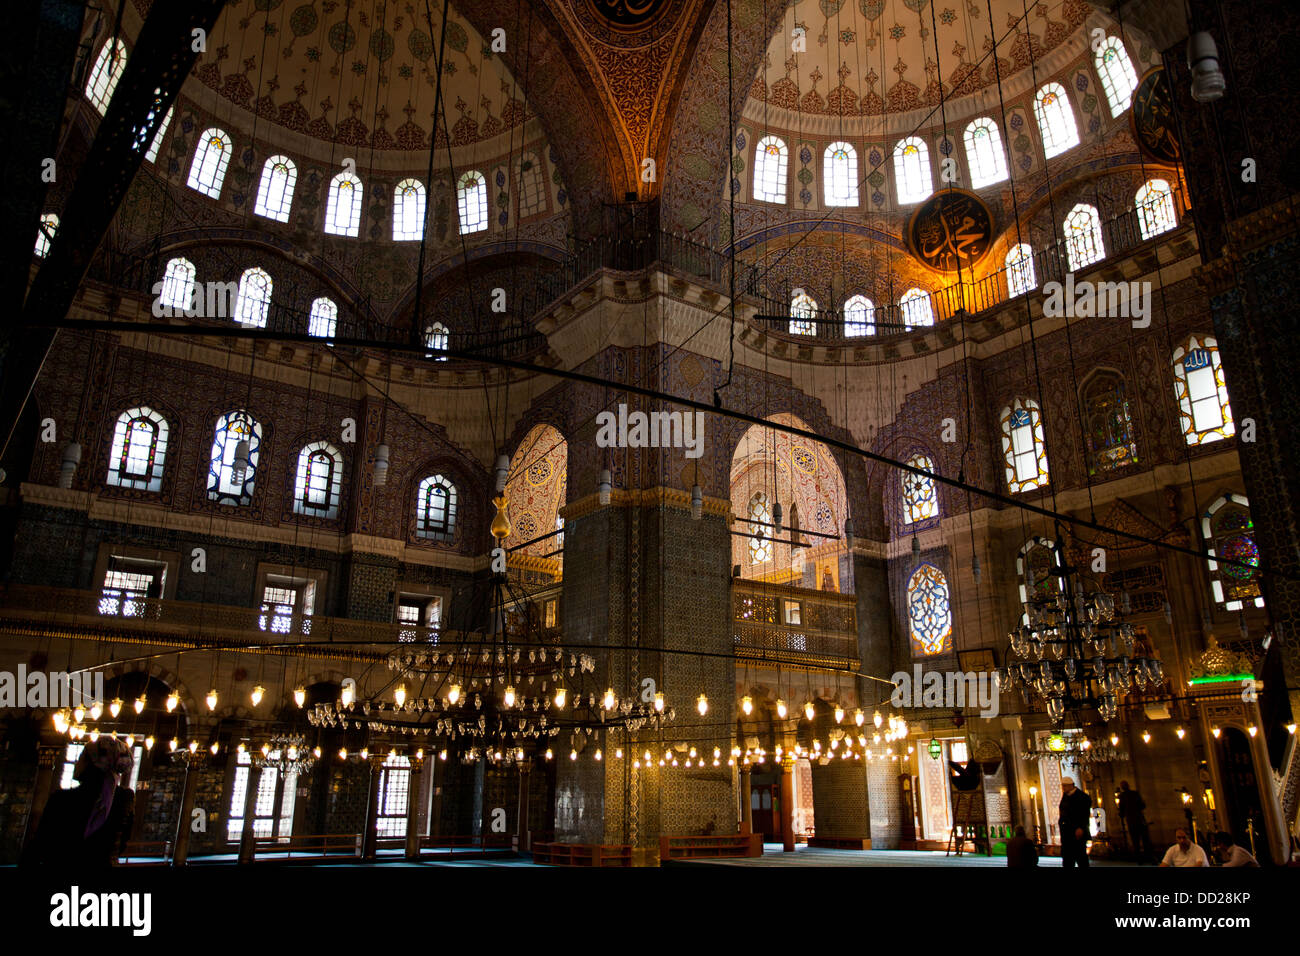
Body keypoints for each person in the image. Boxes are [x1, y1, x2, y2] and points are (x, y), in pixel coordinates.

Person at [22, 736, 136, 869]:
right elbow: (122, 842)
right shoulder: (124, 799)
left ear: (87, 764)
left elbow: (40, 844)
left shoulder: (61, 800)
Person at [1058, 776, 1093, 868]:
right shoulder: (1066, 796)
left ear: (1071, 785)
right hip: (1066, 833)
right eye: (1062, 786)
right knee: (1068, 860)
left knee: (1081, 857)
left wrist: (1081, 827)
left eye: (1065, 786)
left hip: (1077, 832)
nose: (1063, 788)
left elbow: (1084, 814)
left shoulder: (1082, 797)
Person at [1117, 780, 1153, 862]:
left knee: (1135, 840)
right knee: (1145, 839)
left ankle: (1138, 858)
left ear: (1122, 788)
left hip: (1131, 821)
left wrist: (1122, 813)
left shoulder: (1122, 796)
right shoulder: (1135, 793)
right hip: (1140, 818)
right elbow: (1142, 805)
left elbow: (1121, 810)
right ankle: (1148, 856)